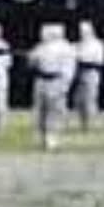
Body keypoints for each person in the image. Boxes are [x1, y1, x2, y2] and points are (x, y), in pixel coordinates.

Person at [30, 23, 75, 151]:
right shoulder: (41, 47)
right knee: (40, 111)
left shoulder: (65, 48)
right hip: (41, 80)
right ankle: (42, 137)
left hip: (55, 81)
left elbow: (69, 69)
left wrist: (64, 85)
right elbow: (32, 62)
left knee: (54, 111)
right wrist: (34, 58)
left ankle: (52, 138)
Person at [73, 20, 104, 132]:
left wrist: (81, 57)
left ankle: (91, 125)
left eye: (84, 31)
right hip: (80, 73)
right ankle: (83, 124)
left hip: (91, 73)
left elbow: (98, 60)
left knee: (90, 99)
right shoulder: (79, 44)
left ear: (91, 31)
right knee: (80, 100)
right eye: (81, 31)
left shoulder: (97, 44)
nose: (82, 33)